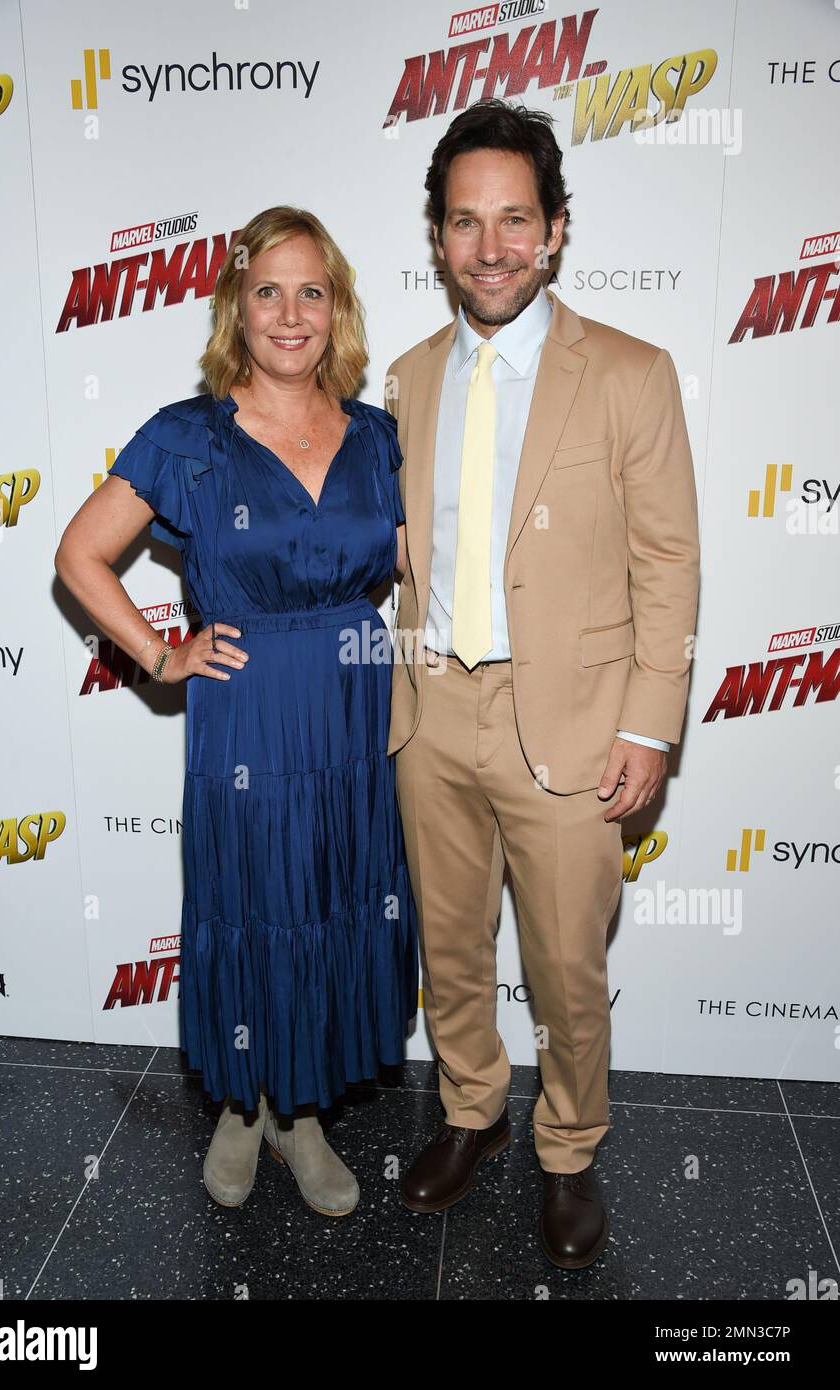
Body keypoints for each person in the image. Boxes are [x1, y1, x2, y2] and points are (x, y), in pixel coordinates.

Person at [384, 100, 700, 1266]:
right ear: (439, 238)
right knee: (451, 947)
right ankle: (474, 1110)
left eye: (516, 219)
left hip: (572, 721)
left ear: (556, 230)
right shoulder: (408, 379)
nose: (492, 246)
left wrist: (649, 726)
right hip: (431, 714)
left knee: (570, 964)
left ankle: (569, 1149)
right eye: (466, 222)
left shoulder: (628, 370)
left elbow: (668, 560)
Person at [55, 206, 418, 1219]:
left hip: (351, 701)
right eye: (269, 291)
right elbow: (80, 554)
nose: (291, 312)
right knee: (255, 903)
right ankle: (244, 1107)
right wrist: (162, 654)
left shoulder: (377, 434)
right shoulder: (189, 437)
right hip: (246, 708)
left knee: (335, 898)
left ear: (335, 307)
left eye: (313, 290)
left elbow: (418, 563)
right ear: (237, 308)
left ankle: (302, 1112)